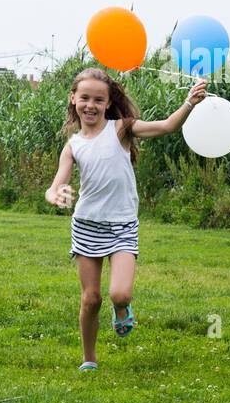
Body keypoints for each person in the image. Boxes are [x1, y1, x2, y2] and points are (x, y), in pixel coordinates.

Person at [44, 68, 208, 372]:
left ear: (108, 103)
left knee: (120, 293)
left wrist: (190, 102)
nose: (90, 105)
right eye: (84, 98)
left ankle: (121, 308)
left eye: (98, 99)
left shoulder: (121, 129)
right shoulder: (73, 145)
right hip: (87, 226)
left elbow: (167, 126)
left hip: (122, 226)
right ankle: (89, 359)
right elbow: (56, 185)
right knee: (91, 298)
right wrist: (54, 195)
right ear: (73, 99)